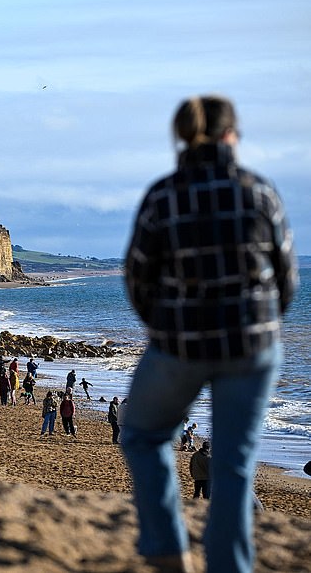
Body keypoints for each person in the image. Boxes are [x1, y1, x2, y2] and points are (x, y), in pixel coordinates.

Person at [122, 95, 297, 573]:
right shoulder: (259, 192)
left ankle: (166, 552)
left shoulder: (164, 196)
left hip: (181, 343)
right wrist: (261, 325)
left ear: (180, 137)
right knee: (235, 463)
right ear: (231, 135)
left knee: (143, 433)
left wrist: (162, 327)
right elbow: (287, 279)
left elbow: (138, 277)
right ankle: (229, 566)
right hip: (253, 345)